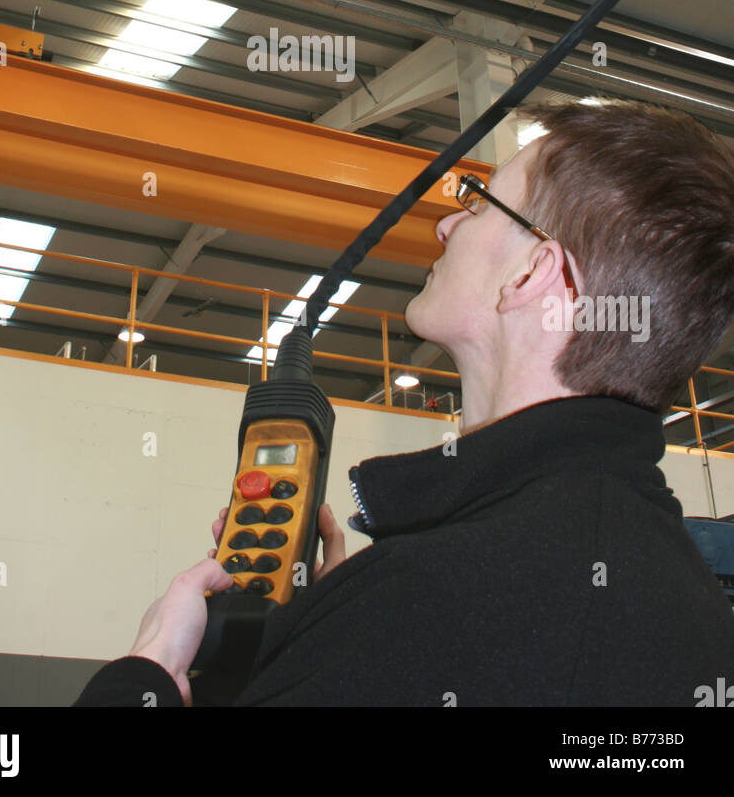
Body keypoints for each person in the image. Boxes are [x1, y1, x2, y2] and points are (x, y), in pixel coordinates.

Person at [74, 100, 734, 707]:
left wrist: (151, 668)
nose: (447, 225)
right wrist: (312, 636)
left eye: (479, 205)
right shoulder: (693, 605)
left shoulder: (421, 604)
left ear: (533, 275)